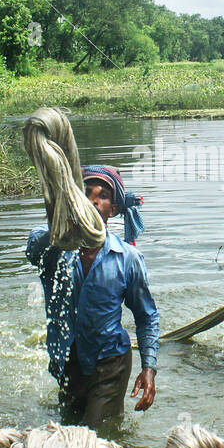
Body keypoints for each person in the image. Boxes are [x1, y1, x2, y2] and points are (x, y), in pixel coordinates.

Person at [25, 164, 160, 426]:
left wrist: (149, 368)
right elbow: (34, 249)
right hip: (66, 362)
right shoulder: (55, 250)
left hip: (110, 363)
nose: (93, 201)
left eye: (103, 196)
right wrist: (60, 216)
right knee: (68, 430)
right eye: (86, 193)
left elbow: (146, 316)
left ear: (114, 209)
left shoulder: (126, 258)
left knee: (96, 435)